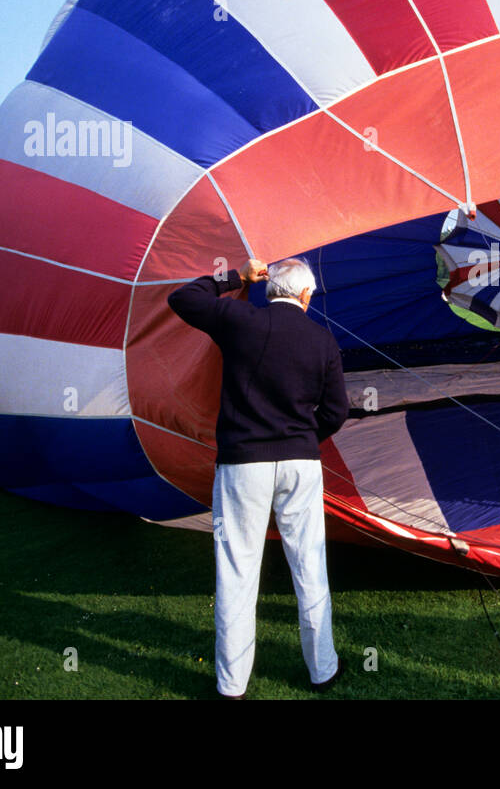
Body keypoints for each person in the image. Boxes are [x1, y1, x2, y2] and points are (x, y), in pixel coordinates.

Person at [168, 256, 350, 698]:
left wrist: (234, 277)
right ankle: (322, 670)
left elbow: (182, 297)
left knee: (237, 571)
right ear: (306, 296)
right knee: (309, 566)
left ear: (269, 290)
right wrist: (304, 437)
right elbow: (337, 412)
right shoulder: (323, 340)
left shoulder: (238, 318)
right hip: (300, 465)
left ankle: (232, 685)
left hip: (241, 464)